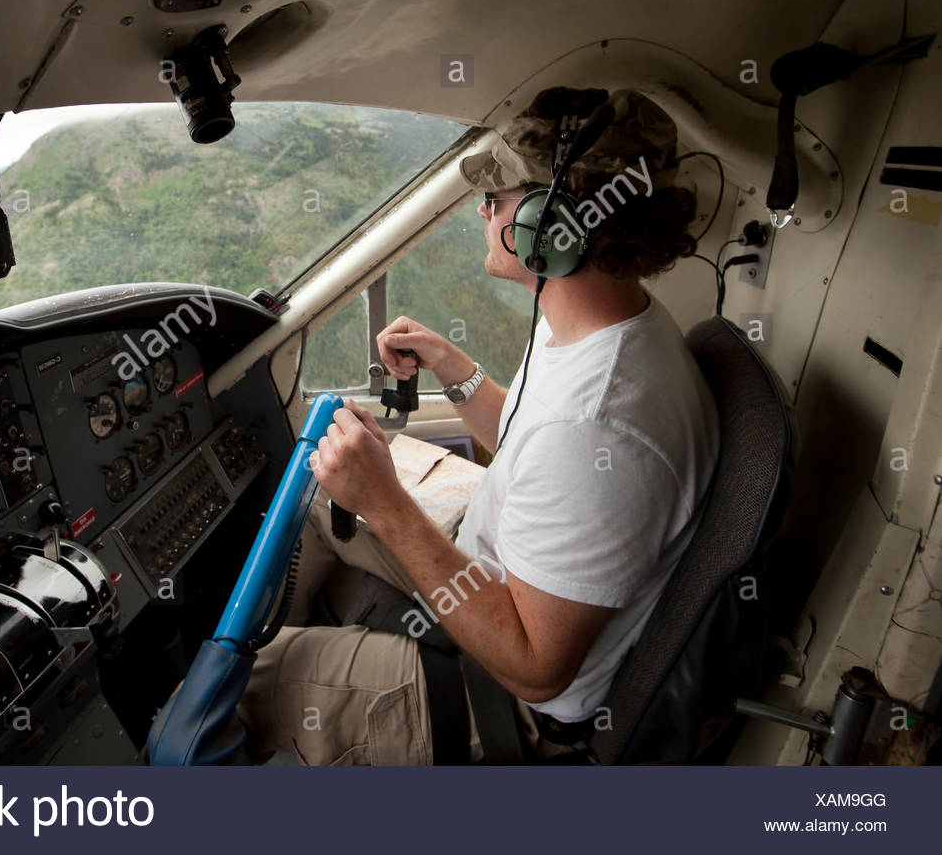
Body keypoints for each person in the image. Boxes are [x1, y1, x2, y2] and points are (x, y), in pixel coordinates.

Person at [236, 87, 720, 764]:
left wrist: (383, 501)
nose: (480, 209)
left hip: (510, 696)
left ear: (552, 226)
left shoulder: (598, 425)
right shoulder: (602, 327)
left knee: (257, 675)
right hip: (491, 569)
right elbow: (532, 448)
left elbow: (535, 666)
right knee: (317, 499)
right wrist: (453, 367)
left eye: (494, 199)